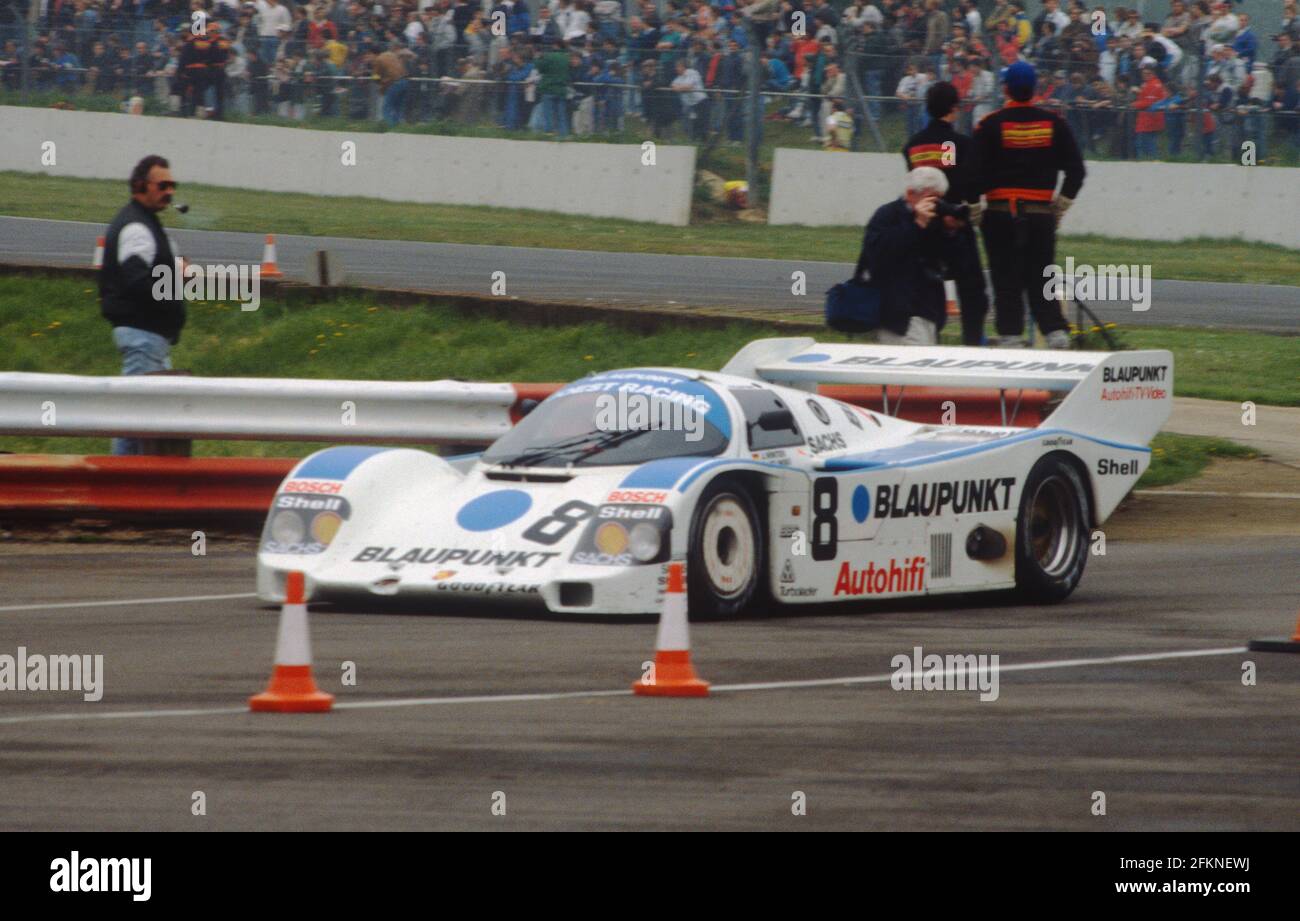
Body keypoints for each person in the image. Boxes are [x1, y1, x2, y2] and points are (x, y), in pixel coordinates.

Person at [973, 60, 1084, 349]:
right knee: (1041, 278)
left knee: (1005, 281)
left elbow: (972, 172)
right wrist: (1060, 205)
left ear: (1006, 88)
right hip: (1040, 216)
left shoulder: (989, 124)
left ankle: (1010, 341)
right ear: (1035, 88)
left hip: (999, 215)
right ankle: (1057, 339)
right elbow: (1077, 170)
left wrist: (974, 206)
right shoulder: (1055, 123)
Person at [99, 155, 186, 456]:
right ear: (140, 186)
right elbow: (137, 280)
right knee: (136, 420)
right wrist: (172, 288)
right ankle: (118, 486)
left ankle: (131, 485)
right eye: (162, 185)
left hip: (151, 339)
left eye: (172, 185)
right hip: (143, 336)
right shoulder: (137, 228)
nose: (169, 191)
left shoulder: (145, 223)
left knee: (144, 418)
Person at [902, 81, 988, 345]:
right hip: (953, 226)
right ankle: (972, 345)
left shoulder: (912, 146)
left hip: (922, 225)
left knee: (927, 289)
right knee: (973, 292)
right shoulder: (953, 145)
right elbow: (952, 177)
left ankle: (928, 343)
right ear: (954, 108)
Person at [852, 167, 949, 347]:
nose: (937, 204)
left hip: (929, 309)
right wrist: (917, 224)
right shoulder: (888, 215)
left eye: (940, 198)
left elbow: (951, 264)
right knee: (912, 371)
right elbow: (878, 257)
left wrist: (953, 230)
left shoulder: (937, 220)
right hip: (898, 314)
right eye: (932, 198)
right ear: (911, 194)